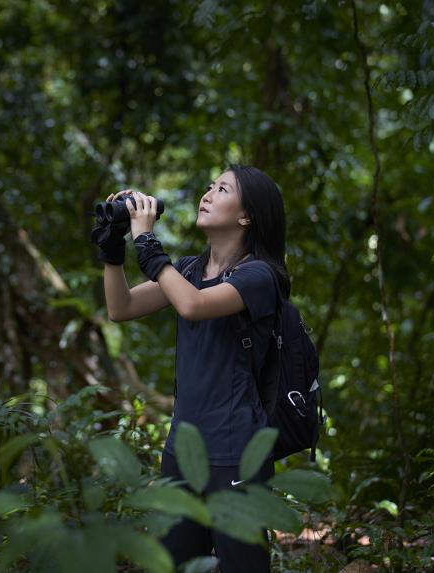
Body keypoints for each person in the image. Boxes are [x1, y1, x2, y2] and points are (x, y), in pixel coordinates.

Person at [93, 164, 290, 572]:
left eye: (221, 189)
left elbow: (194, 306)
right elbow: (121, 308)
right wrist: (113, 251)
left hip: (236, 450)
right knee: (176, 564)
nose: (207, 194)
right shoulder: (185, 270)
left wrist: (146, 240)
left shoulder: (259, 276)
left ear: (246, 216)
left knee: (242, 565)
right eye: (209, 185)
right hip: (181, 448)